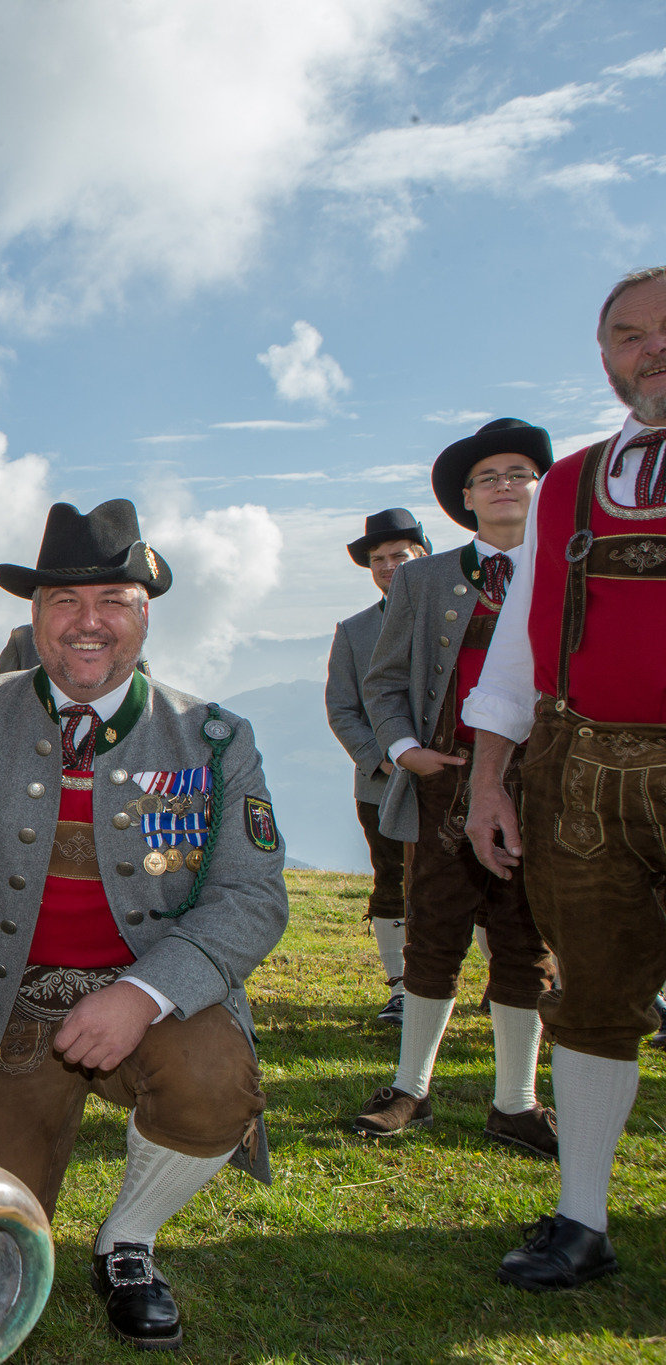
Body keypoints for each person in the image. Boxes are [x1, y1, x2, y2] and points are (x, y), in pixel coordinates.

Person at [0, 499, 287, 1352]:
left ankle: (127, 1242)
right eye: (63, 602)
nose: (89, 623)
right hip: (7, 1014)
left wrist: (143, 994)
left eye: (113, 600)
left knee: (213, 1087)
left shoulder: (216, 739)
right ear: (36, 616)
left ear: (144, 613)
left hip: (158, 1005)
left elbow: (254, 896)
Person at [462, 266, 666, 1290]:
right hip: (579, 771)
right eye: (627, 335)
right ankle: (580, 1218)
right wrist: (487, 781)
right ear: (603, 356)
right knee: (590, 994)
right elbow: (516, 652)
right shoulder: (569, 484)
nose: (649, 351)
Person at [351, 422, 557, 1160]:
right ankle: (411, 1088)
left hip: (543, 785)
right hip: (446, 785)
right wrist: (408, 752)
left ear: (541, 486)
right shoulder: (423, 578)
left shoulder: (568, 566)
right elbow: (380, 680)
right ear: (464, 499)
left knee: (523, 940)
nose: (505, 483)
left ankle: (516, 1103)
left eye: (520, 471)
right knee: (433, 930)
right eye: (488, 476)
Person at [327, 509, 431, 1024]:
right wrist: (381, 759)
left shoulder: (458, 615)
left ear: (424, 556)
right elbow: (341, 707)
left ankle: (508, 979)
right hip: (382, 785)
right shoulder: (354, 631)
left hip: (461, 776)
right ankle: (401, 989)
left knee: (485, 882)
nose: (389, 566)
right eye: (379, 560)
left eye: (399, 556)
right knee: (392, 880)